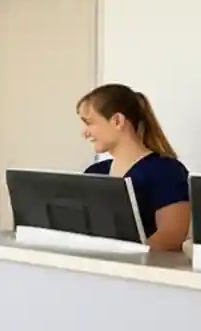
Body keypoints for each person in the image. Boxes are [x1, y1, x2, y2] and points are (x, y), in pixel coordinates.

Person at [77, 83, 189, 252]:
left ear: (117, 121)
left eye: (89, 123)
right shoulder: (94, 172)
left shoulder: (166, 171)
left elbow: (172, 236)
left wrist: (122, 258)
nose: (84, 132)